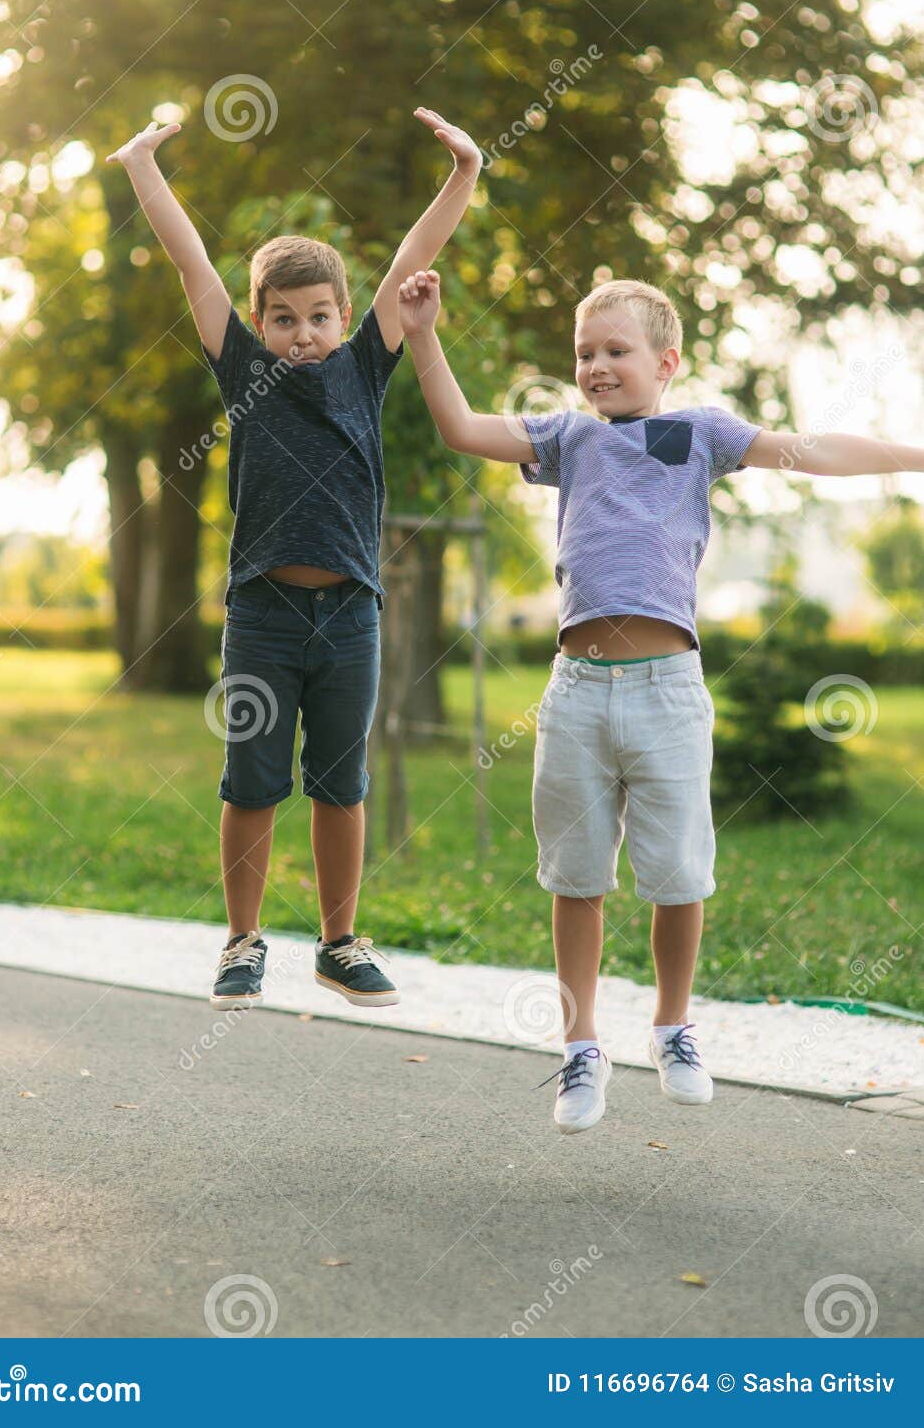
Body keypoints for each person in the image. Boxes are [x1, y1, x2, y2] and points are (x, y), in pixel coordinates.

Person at [399, 268, 923, 1132]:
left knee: (679, 876)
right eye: (584, 354)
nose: (596, 367)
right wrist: (422, 333)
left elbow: (815, 450)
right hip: (575, 694)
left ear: (666, 361)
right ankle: (579, 1047)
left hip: (667, 693)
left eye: (616, 351)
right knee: (576, 879)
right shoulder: (567, 437)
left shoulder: (702, 433)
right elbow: (460, 428)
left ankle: (672, 1027)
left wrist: (911, 456)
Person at [108, 108, 482, 1010]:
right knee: (250, 783)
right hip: (263, 616)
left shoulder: (364, 366)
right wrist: (142, 165)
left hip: (350, 616)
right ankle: (242, 943)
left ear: (347, 317)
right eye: (283, 319)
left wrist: (464, 173)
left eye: (318, 317)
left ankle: (338, 943)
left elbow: (413, 256)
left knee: (340, 787)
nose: (302, 333)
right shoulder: (244, 369)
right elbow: (192, 263)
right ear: (258, 322)